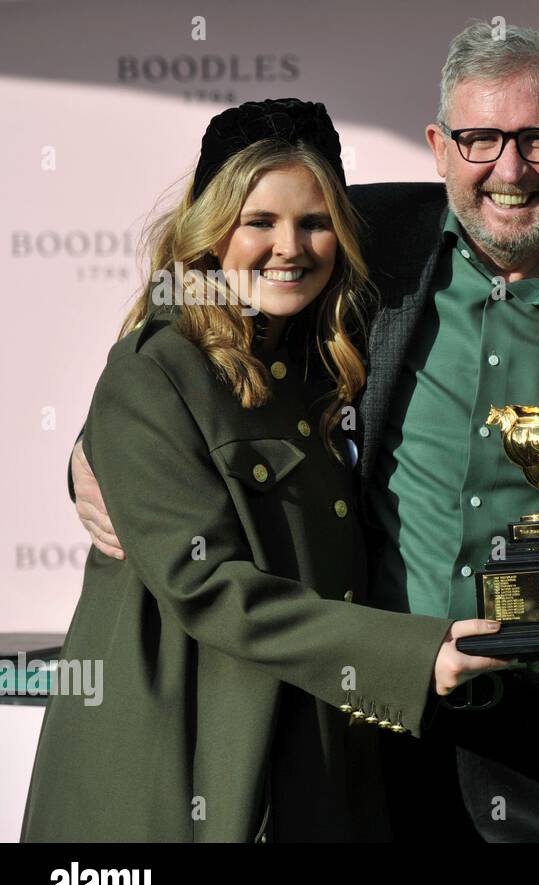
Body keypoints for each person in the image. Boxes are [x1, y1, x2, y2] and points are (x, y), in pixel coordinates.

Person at [68, 23, 539, 843]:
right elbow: (189, 354)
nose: (508, 170)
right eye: (480, 138)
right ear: (440, 146)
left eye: (538, 139)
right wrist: (89, 456)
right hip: (370, 725)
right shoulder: (366, 241)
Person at [24, 99, 508, 842]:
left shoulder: (324, 361)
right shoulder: (156, 369)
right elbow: (206, 584)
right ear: (212, 231)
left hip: (321, 754)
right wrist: (413, 656)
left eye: (315, 222)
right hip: (185, 765)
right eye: (260, 222)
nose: (291, 246)